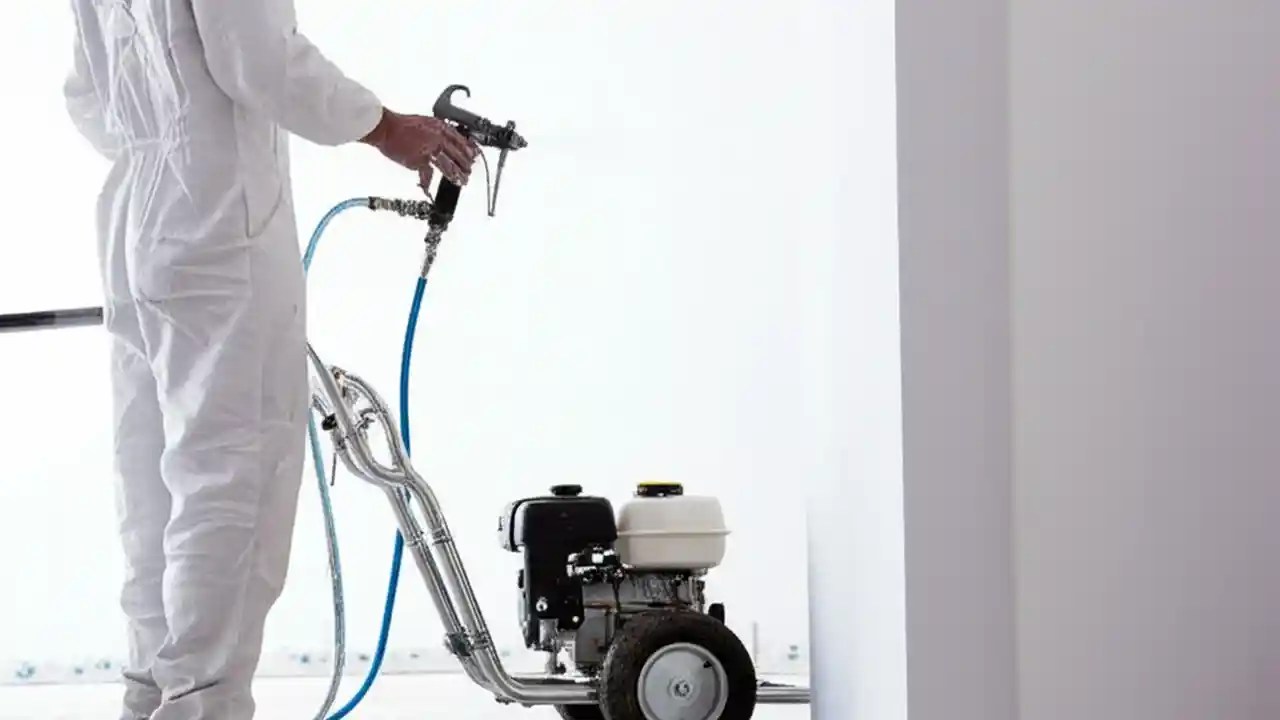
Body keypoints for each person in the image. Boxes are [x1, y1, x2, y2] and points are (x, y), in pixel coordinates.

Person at [62, 1, 477, 718]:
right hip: (218, 219)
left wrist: (160, 143)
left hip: (136, 215)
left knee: (152, 476)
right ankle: (201, 705)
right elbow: (259, 59)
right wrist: (386, 128)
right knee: (231, 472)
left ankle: (151, 692)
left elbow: (86, 95)